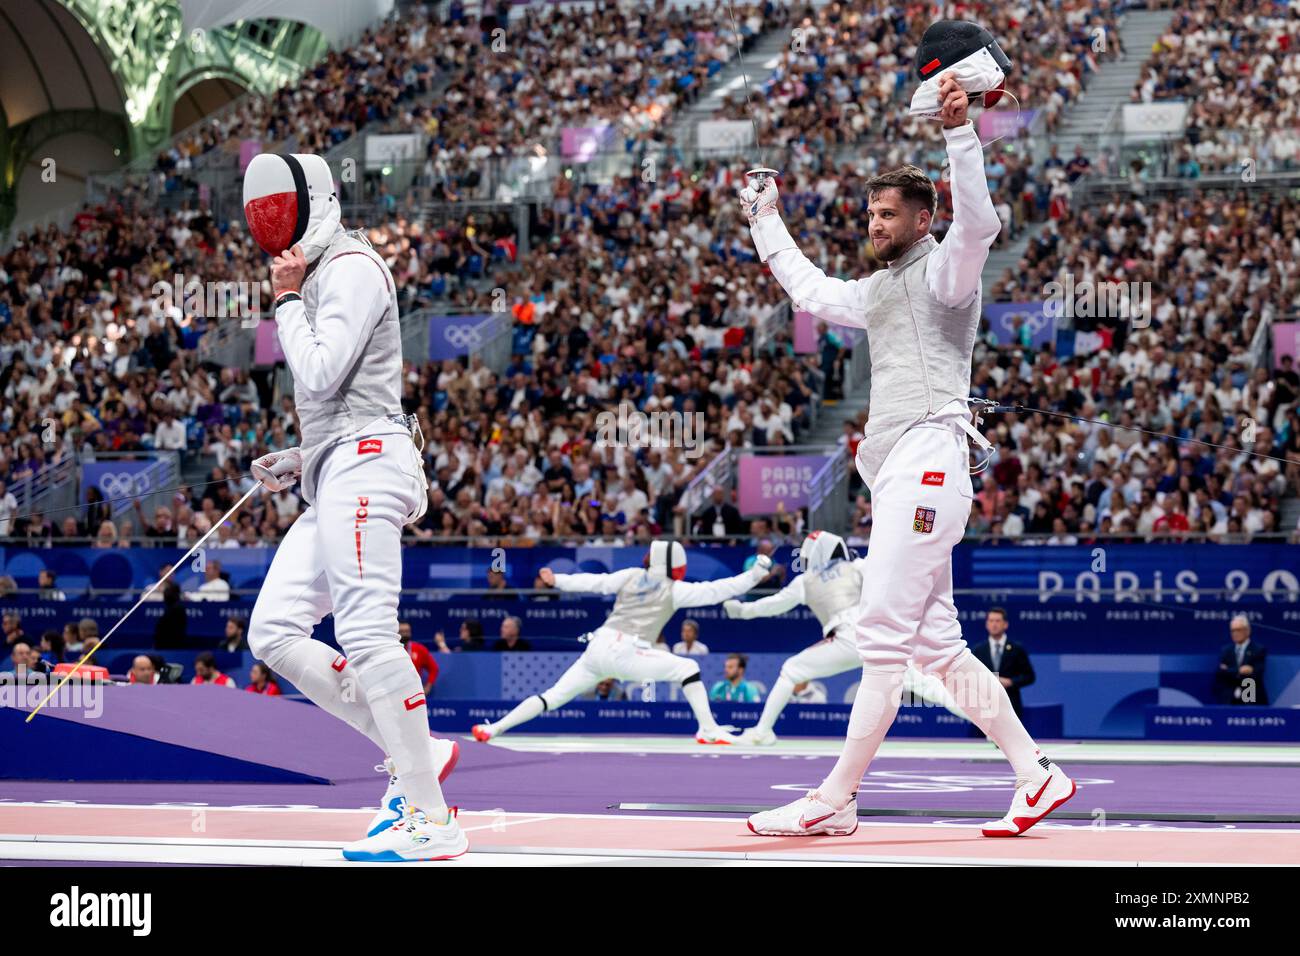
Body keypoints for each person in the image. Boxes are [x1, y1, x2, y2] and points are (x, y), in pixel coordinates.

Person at [740, 66, 1073, 839]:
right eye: (870, 212)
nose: (873, 223)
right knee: (940, 648)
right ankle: (1037, 775)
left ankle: (836, 798)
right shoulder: (880, 287)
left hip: (929, 460)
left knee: (880, 637)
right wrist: (765, 218)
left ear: (923, 220)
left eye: (887, 213)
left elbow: (981, 227)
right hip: (902, 472)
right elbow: (811, 289)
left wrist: (962, 132)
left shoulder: (948, 273)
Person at [241, 152, 462, 862]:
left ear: (315, 201)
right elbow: (340, 396)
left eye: (279, 211)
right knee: (272, 631)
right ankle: (417, 750)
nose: (271, 228)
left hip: (370, 465)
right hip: (339, 466)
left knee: (367, 634)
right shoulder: (317, 274)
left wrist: (280, 301)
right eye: (260, 218)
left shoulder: (352, 269)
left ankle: (432, 817)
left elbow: (321, 367)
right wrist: (302, 458)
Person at [471, 542, 773, 744]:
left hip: (598, 648)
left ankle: (492, 728)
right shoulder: (674, 590)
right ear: (674, 564)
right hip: (627, 652)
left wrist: (559, 580)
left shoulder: (630, 575)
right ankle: (707, 729)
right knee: (688, 667)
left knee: (551, 697)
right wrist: (756, 574)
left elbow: (595, 582)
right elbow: (720, 589)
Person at [726, 531, 968, 744]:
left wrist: (742, 611)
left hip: (846, 638)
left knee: (791, 670)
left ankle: (762, 732)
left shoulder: (808, 580)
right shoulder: (856, 567)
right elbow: (891, 569)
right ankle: (992, 727)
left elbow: (773, 605)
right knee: (928, 685)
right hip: (878, 638)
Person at [969, 607, 1035, 718]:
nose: (994, 624)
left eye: (998, 621)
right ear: (986, 624)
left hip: (1010, 704)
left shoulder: (1017, 649)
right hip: (984, 706)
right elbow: (971, 676)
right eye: (991, 621)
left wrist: (1010, 682)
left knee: (1011, 735)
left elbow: (1029, 676)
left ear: (1005, 624)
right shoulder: (978, 650)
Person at [1215, 616, 1269, 705]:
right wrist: (1240, 670)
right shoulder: (1226, 650)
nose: (1235, 633)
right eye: (1233, 631)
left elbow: (1256, 674)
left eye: (1238, 630)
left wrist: (1229, 670)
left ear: (1247, 631)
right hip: (1230, 697)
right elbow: (1221, 673)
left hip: (1250, 694)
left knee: (1249, 684)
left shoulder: (1258, 650)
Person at [399, 621, 439, 695]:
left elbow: (434, 668)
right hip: (396, 691)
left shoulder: (419, 649)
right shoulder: (391, 650)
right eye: (402, 632)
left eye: (407, 631)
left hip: (414, 692)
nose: (405, 634)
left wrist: (428, 687)